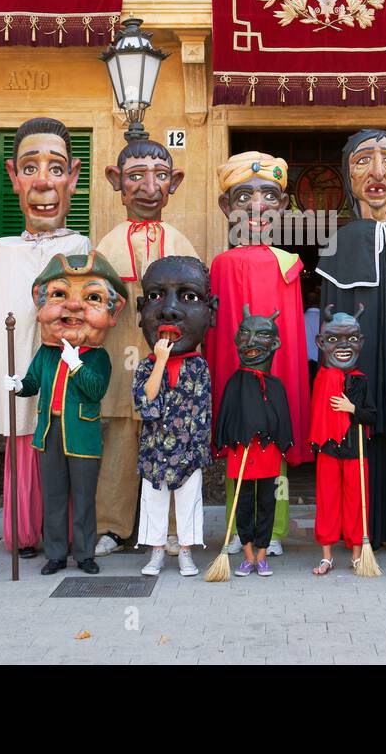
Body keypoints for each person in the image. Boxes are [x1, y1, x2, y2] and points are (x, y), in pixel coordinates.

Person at [0, 117, 90, 558]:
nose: (43, 182)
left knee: (65, 442)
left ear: (73, 178)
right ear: (13, 177)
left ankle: (68, 535)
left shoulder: (84, 248)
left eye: (57, 169)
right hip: (23, 373)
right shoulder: (1, 251)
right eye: (30, 168)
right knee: (25, 439)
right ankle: (25, 531)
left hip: (67, 375)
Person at [317, 130, 386, 550]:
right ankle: (358, 527)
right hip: (356, 373)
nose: (378, 171)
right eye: (364, 160)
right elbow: (329, 321)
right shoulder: (337, 243)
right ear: (348, 175)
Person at [93, 133, 198, 559]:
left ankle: (173, 529)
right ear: (116, 180)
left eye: (159, 176)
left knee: (171, 440)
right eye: (136, 176)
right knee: (119, 443)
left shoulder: (181, 240)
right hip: (119, 360)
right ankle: (112, 527)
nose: (148, 187)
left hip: (171, 361)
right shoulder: (105, 243)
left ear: (174, 183)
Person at [205, 152, 311, 557]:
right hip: (236, 377)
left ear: (283, 206)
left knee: (274, 451)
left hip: (275, 380)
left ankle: (274, 529)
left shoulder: (289, 266)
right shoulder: (220, 265)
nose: (256, 205)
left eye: (268, 195)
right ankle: (237, 528)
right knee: (238, 449)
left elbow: (292, 337)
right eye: (243, 196)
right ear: (225, 207)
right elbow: (217, 332)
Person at [8, 252, 125, 576]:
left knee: (85, 499)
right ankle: (56, 553)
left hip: (82, 436)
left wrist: (76, 365)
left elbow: (96, 390)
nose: (73, 307)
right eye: (61, 294)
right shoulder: (46, 353)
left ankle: (85, 554)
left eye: (89, 297)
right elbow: (33, 383)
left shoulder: (97, 356)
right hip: (50, 432)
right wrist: (17, 385)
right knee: (55, 497)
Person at [132, 256, 216, 577]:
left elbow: (201, 412)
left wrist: (195, 449)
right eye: (155, 297)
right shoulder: (143, 366)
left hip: (188, 450)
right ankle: (155, 552)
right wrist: (159, 361)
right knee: (153, 501)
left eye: (189, 296)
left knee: (188, 501)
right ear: (141, 311)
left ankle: (185, 550)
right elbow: (146, 403)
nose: (168, 309)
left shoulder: (198, 367)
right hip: (154, 448)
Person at [214, 308, 293, 578]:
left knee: (267, 502)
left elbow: (281, 419)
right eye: (245, 335)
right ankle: (248, 556)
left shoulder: (276, 385)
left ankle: (262, 555)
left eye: (260, 336)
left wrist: (277, 439)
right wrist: (235, 436)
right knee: (244, 501)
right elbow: (227, 416)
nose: (251, 343)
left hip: (267, 451)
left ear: (275, 344)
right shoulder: (234, 382)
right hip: (241, 452)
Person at [308, 306, 377, 575]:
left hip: (354, 448)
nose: (343, 346)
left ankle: (357, 555)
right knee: (327, 502)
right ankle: (326, 556)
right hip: (328, 449)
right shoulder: (322, 378)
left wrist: (353, 410)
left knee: (355, 502)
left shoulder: (361, 381)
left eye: (350, 339)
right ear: (322, 343)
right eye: (335, 339)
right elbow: (317, 414)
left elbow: (372, 415)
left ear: (360, 343)